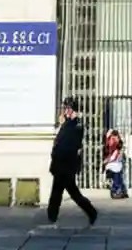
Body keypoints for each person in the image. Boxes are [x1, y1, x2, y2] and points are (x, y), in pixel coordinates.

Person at [47, 97, 98, 226]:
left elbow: (70, 146)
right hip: (61, 165)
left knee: (69, 193)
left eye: (66, 108)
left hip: (66, 165)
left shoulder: (76, 125)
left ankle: (90, 212)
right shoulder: (67, 123)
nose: (64, 111)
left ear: (71, 109)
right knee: (61, 191)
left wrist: (59, 158)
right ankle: (52, 215)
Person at [103, 129, 127, 199]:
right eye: (112, 138)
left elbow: (115, 155)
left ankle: (120, 191)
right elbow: (112, 156)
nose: (114, 140)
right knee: (117, 179)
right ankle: (116, 191)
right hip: (113, 165)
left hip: (116, 164)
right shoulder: (111, 144)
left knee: (118, 179)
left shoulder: (117, 146)